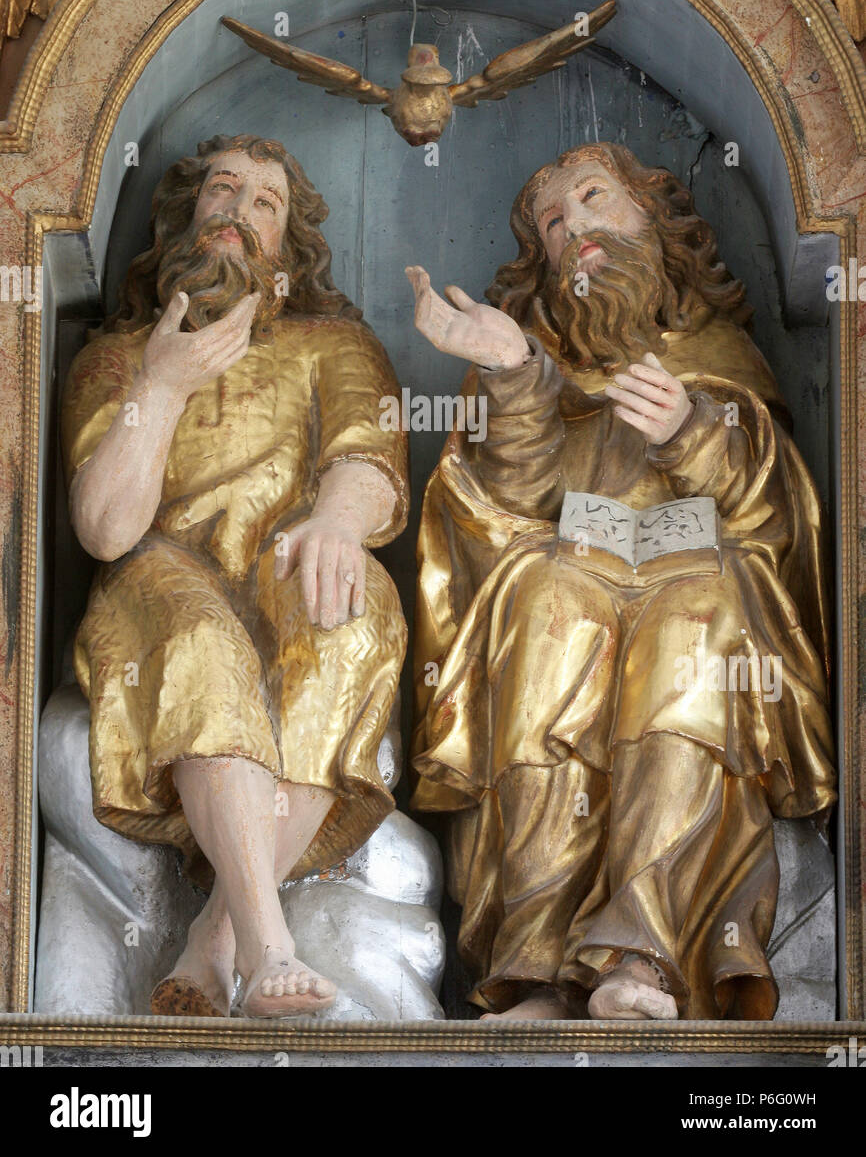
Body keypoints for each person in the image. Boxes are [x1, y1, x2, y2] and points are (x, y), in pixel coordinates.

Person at [408, 142, 835, 1021]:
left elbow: (773, 508)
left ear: (653, 217)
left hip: (695, 570)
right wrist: (513, 376)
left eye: (594, 200)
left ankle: (647, 956)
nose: (574, 231)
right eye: (554, 223)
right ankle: (531, 968)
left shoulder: (715, 347)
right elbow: (506, 503)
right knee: (539, 601)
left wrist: (692, 430)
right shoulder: (528, 352)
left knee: (697, 620)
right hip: (571, 568)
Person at [62, 134, 408, 1017]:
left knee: (358, 606)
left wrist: (335, 519)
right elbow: (105, 528)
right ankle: (266, 941)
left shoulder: (332, 342)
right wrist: (164, 386)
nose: (240, 212)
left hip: (285, 562)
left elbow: (369, 459)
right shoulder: (118, 354)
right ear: (185, 215)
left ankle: (212, 942)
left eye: (266, 202)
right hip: (159, 573)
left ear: (288, 249)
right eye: (224, 189)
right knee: (204, 640)